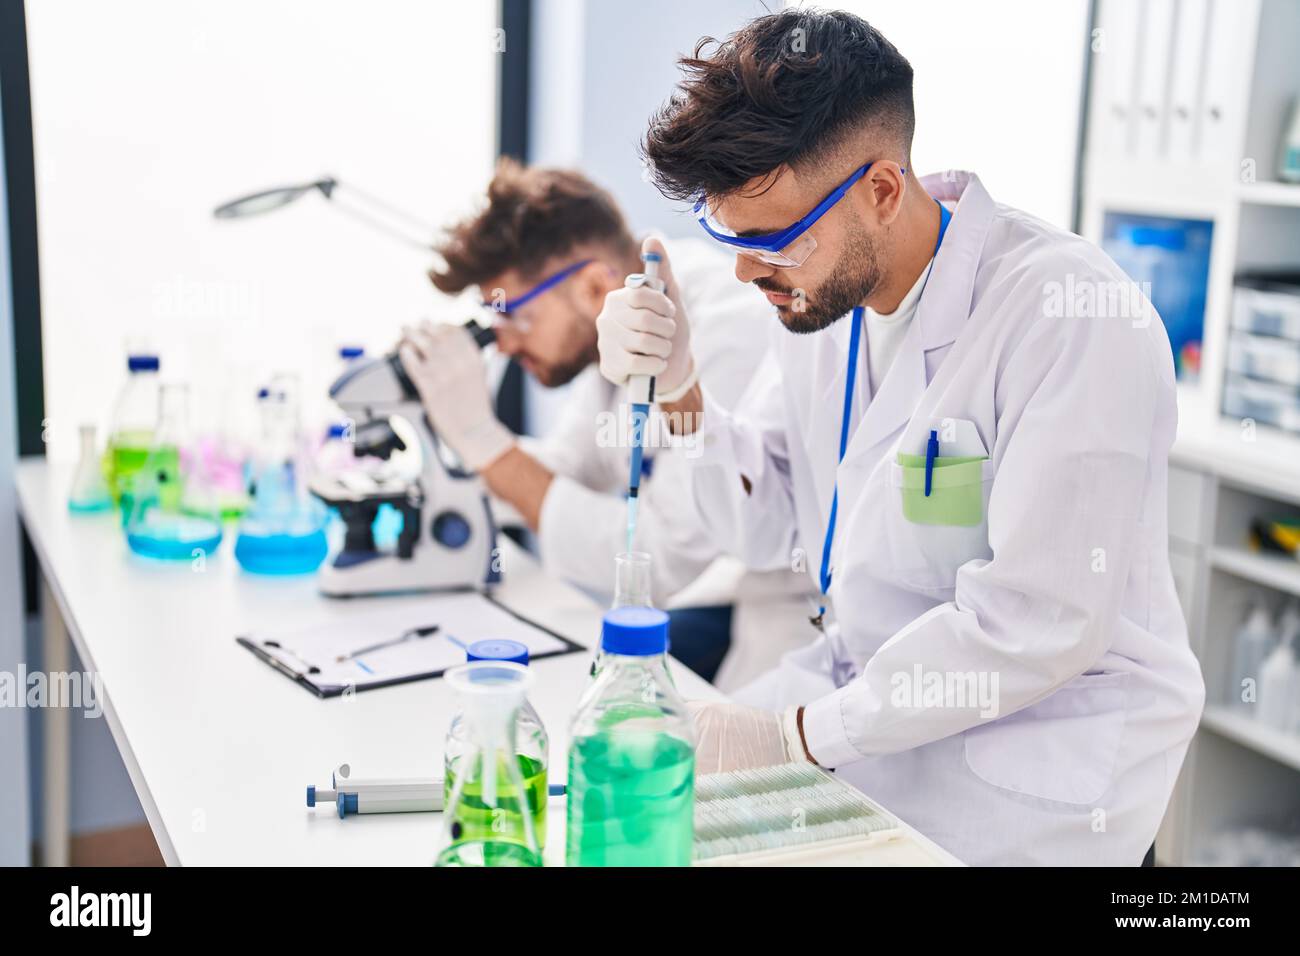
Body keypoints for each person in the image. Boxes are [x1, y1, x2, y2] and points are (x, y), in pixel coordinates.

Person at [594, 9, 1204, 865]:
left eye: (769, 237)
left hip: (1036, 785)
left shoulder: (1067, 315)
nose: (745, 268)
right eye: (729, 234)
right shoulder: (822, 299)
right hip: (877, 732)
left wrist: (795, 737)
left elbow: (1035, 623)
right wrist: (683, 392)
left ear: (883, 189)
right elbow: (765, 525)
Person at [398, 159, 813, 682]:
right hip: (703, 606)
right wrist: (453, 426)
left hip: (765, 620)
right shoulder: (617, 327)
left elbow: (660, 558)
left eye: (510, 313)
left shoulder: (723, 328)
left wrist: (484, 443)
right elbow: (571, 467)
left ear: (593, 287)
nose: (501, 340)